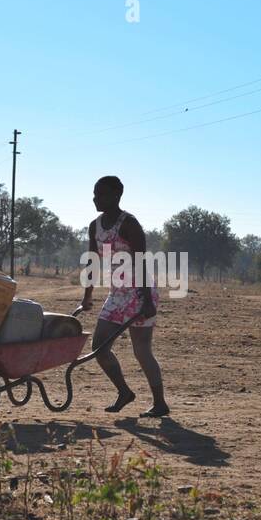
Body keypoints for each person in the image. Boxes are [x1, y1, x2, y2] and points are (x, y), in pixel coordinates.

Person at [78, 176, 169, 417]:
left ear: (117, 196)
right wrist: (86, 297)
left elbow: (140, 263)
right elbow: (93, 263)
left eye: (101, 194)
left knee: (141, 350)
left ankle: (160, 403)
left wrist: (147, 300)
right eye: (95, 194)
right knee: (99, 347)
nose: (95, 199)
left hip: (139, 294)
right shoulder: (95, 226)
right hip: (117, 295)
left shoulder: (129, 224)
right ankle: (124, 392)